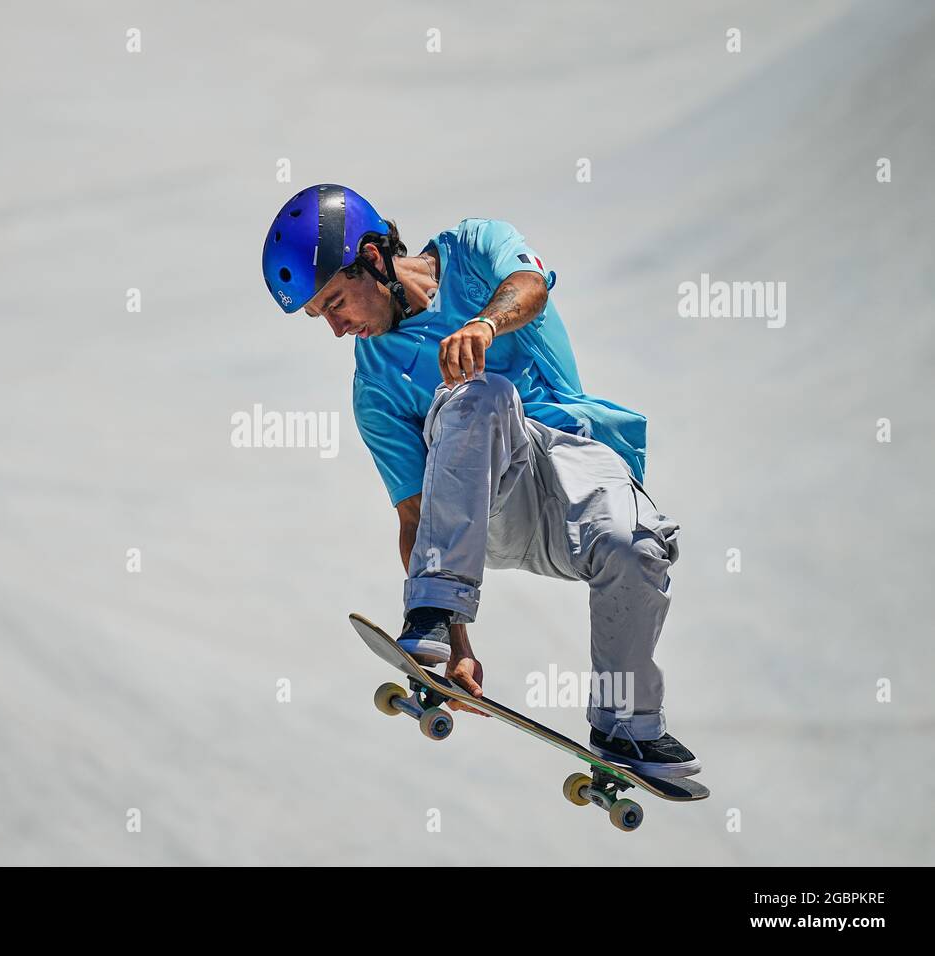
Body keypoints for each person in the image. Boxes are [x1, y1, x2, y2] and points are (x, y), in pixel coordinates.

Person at [261, 184, 700, 777]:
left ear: (370, 257)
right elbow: (416, 517)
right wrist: (455, 648)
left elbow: (530, 288)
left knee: (636, 545)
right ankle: (434, 612)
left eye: (336, 303)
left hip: (575, 465)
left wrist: (485, 325)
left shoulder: (475, 245)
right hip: (492, 504)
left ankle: (626, 727)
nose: (337, 328)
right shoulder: (375, 388)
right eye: (322, 317)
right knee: (479, 394)